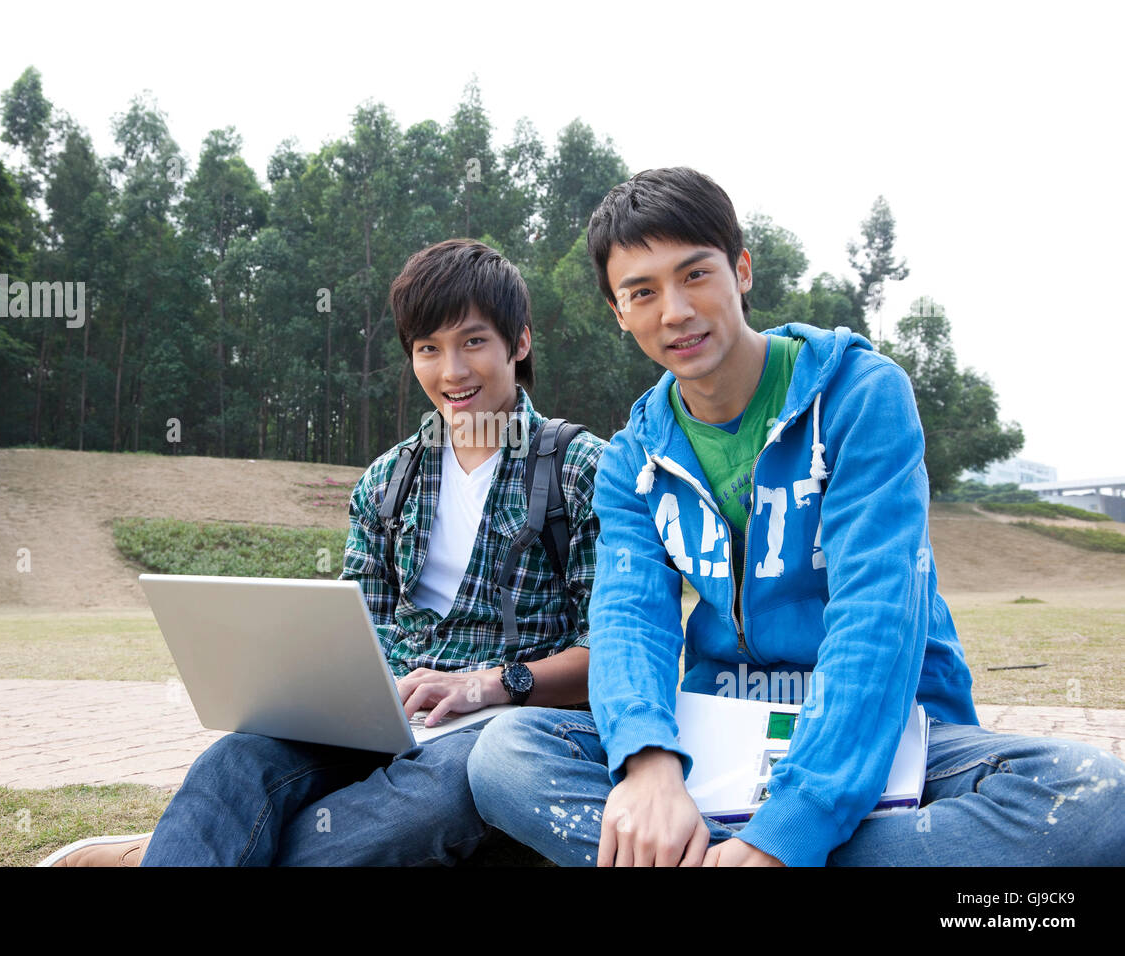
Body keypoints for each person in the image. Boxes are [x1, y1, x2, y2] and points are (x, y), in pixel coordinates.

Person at [466, 167, 1125, 866]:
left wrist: (788, 832)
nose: (676, 312)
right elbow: (630, 620)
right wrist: (650, 764)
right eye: (643, 292)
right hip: (722, 732)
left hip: (887, 734)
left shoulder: (860, 396)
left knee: (1094, 793)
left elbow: (875, 615)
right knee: (505, 754)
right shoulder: (633, 460)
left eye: (695, 276)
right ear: (618, 312)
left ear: (741, 269)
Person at [40, 238, 605, 866]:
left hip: (501, 725)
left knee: (418, 808)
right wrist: (355, 692)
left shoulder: (580, 471)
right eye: (428, 349)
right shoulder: (388, 481)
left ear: (518, 343)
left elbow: (610, 653)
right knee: (236, 758)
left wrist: (486, 685)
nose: (452, 372)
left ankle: (169, 854)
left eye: (473, 341)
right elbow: (356, 628)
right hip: (389, 715)